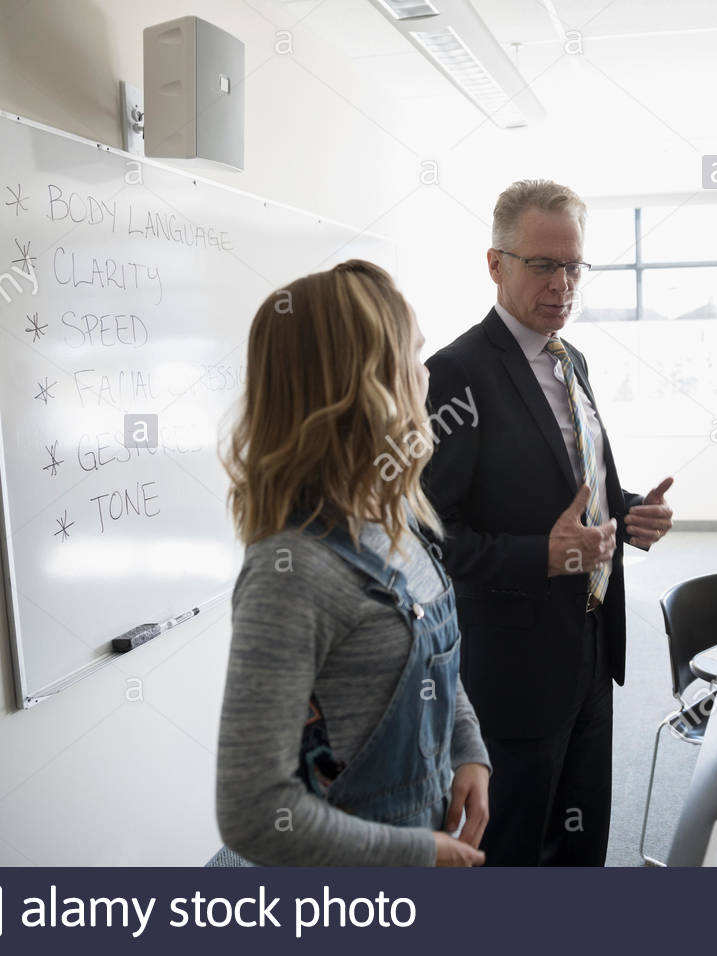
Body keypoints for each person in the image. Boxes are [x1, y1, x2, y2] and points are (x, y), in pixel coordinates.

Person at [423, 179, 675, 866]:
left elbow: (571, 482)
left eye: (574, 267)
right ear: (495, 264)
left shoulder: (573, 359)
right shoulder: (455, 375)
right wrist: (540, 555)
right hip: (514, 668)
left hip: (592, 643)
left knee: (581, 842)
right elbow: (426, 539)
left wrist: (627, 513)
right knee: (513, 851)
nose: (563, 283)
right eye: (544, 265)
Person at [216, 260, 492, 866]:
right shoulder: (291, 574)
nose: (427, 378)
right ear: (368, 385)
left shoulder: (396, 524)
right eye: (414, 359)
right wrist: (418, 854)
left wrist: (468, 750)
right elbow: (252, 814)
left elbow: (434, 664)